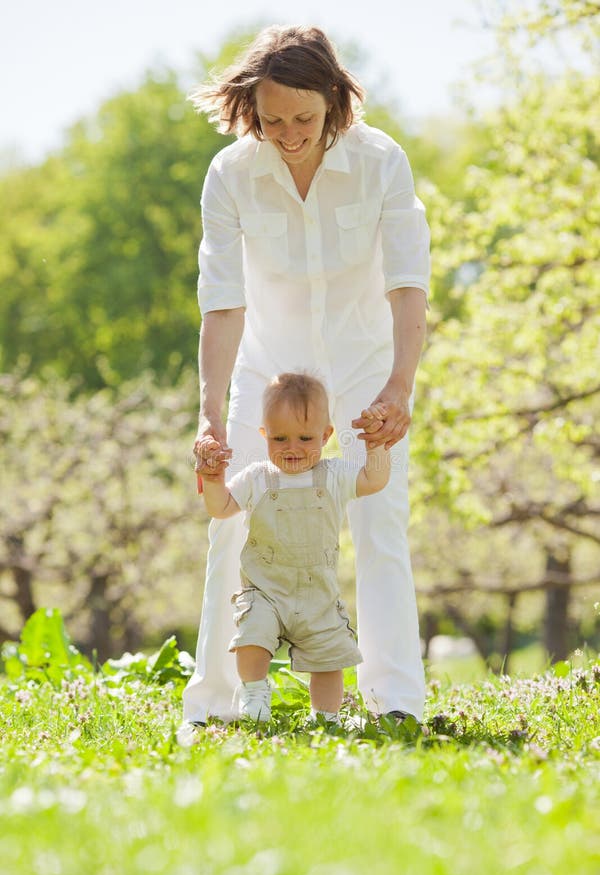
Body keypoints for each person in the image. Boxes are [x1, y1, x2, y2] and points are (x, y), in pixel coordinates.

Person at [180, 24, 430, 730]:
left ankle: (396, 701)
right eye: (272, 121)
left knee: (379, 519)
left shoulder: (382, 163)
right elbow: (221, 302)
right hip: (267, 370)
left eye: (304, 119)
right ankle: (218, 702)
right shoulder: (230, 175)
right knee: (232, 524)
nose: (288, 136)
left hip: (364, 366)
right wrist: (209, 413)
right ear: (249, 112)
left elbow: (408, 283)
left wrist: (398, 387)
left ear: (335, 103)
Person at [199, 372, 390, 724]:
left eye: (305, 437)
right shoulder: (257, 477)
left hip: (317, 592)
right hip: (265, 590)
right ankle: (255, 694)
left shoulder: (333, 476)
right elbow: (221, 507)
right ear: (264, 435)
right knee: (251, 640)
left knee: (330, 661)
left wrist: (377, 445)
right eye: (280, 438)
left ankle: (327, 718)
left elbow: (374, 480)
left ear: (326, 435)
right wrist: (214, 479)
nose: (293, 447)